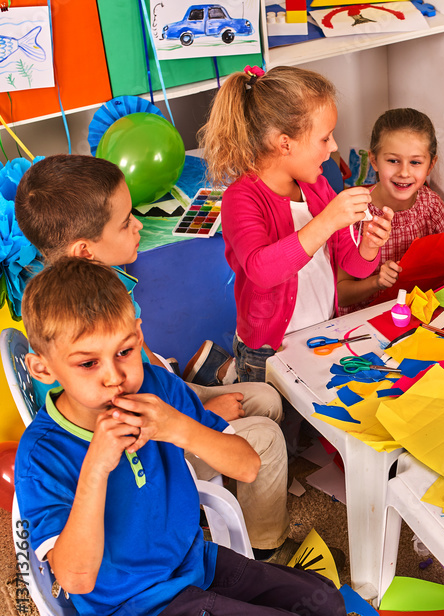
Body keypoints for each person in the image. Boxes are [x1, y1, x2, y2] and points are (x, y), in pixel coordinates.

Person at [15, 258, 351, 616]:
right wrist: (96, 467)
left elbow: (247, 467)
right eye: (88, 363)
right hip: (130, 609)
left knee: (323, 602)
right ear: (43, 367)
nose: (115, 378)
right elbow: (76, 578)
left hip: (193, 564)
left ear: (138, 333)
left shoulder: (156, 386)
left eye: (125, 351)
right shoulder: (42, 455)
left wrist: (178, 427)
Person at [15, 154, 291, 561]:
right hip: (143, 438)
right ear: (85, 251)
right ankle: (265, 549)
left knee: (267, 399)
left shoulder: (83, 296)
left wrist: (190, 401)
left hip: (158, 390)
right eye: (126, 221)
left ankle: (229, 481)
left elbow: (145, 368)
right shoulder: (84, 342)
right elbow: (132, 400)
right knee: (267, 440)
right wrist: (199, 414)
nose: (139, 225)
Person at [198, 65, 393, 382]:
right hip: (266, 350)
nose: (333, 148)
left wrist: (370, 245)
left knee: (316, 408)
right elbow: (262, 270)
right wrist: (327, 221)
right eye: (325, 138)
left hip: (322, 331)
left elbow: (354, 267)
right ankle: (225, 372)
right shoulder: (241, 198)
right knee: (278, 419)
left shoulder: (318, 186)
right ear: (284, 143)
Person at [337, 108, 444, 314]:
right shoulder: (353, 214)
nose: (404, 172)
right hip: (366, 317)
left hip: (419, 310)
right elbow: (342, 295)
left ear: (430, 164)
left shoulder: (433, 205)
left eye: (415, 162)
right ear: (374, 161)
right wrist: (376, 282)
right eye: (393, 161)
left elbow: (441, 269)